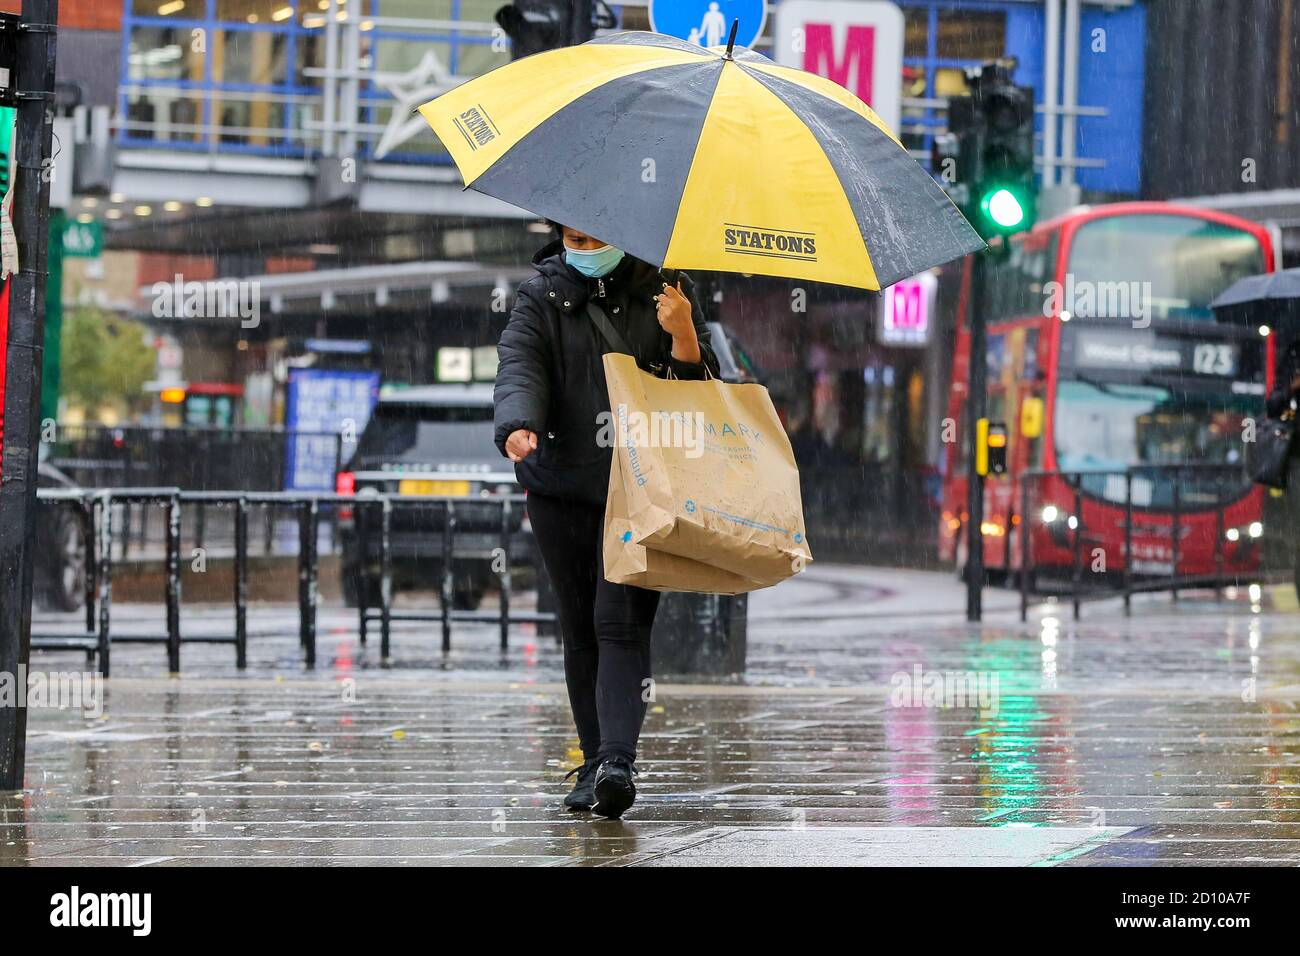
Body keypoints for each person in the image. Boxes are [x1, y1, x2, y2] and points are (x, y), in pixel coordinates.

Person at [494, 222, 718, 819]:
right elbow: (520, 364)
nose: (586, 251)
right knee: (580, 626)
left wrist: (685, 335)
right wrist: (519, 423)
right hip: (559, 486)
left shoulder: (668, 290)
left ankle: (617, 761)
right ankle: (594, 761)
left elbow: (697, 395)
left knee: (619, 622)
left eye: (597, 241)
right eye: (575, 241)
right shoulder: (538, 295)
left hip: (639, 490)